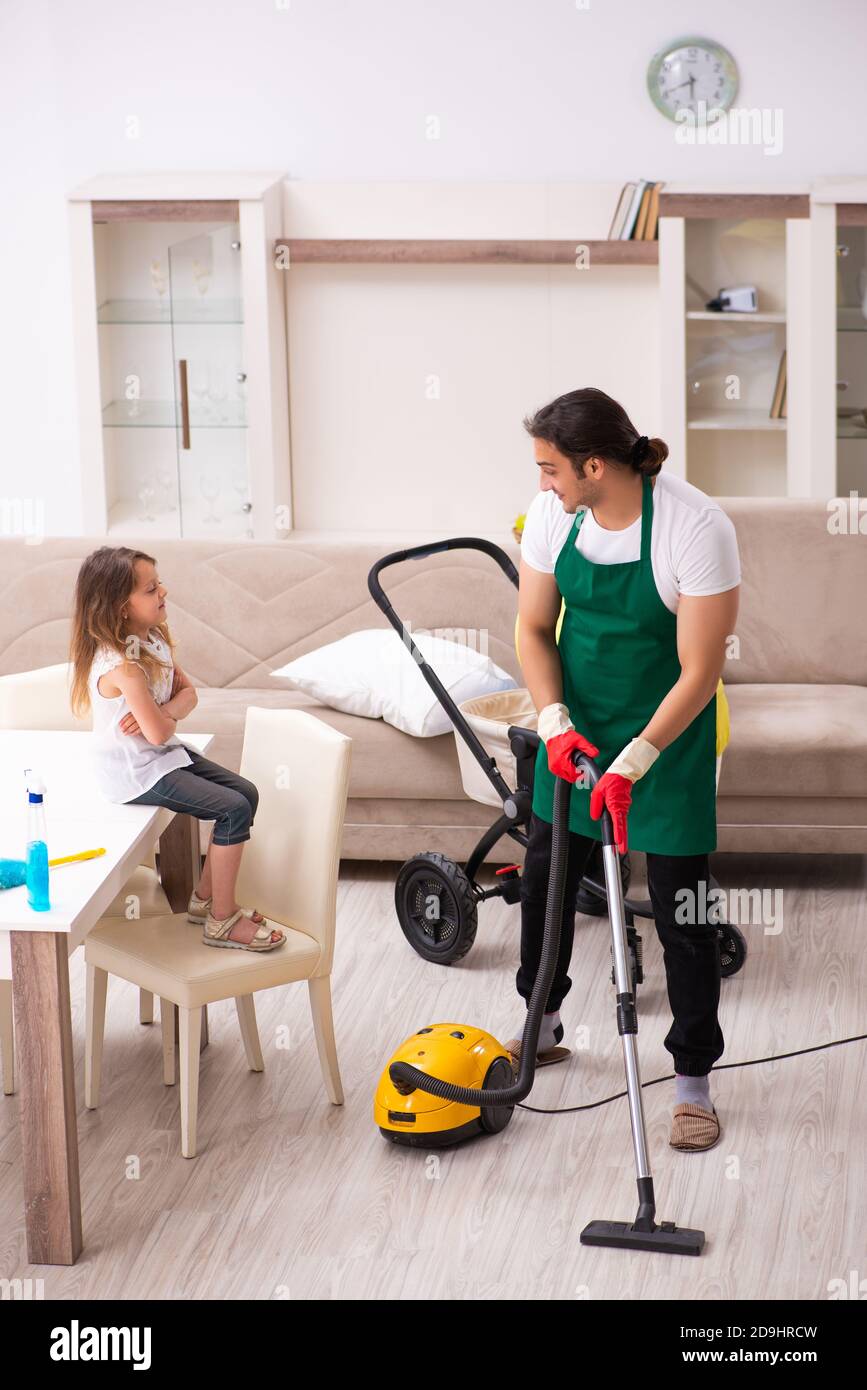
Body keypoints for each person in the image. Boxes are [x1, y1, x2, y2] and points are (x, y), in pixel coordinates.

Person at [508, 387, 740, 1152]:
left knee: (684, 916)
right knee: (545, 881)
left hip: (664, 743)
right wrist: (553, 721)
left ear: (595, 465)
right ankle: (538, 1024)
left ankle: (691, 1083)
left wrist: (636, 760)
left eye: (551, 469)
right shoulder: (553, 516)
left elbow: (700, 670)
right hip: (576, 732)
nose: (542, 484)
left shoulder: (694, 526)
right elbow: (534, 628)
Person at [69, 545, 284, 952]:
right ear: (121, 608)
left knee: (247, 794)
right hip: (134, 772)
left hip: (162, 755)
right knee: (233, 808)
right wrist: (170, 713)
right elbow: (155, 732)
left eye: (158, 583)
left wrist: (171, 709)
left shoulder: (152, 639)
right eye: (150, 590)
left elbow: (187, 696)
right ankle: (222, 919)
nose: (163, 592)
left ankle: (204, 900)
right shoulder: (122, 666)